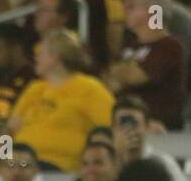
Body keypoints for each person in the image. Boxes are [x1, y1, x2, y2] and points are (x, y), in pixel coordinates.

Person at [8, 30, 114, 173]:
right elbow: (11, 128)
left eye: (41, 53)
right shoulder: (35, 88)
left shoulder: (89, 88)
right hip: (18, 164)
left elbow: (111, 126)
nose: (36, 57)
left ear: (55, 57)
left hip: (57, 166)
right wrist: (2, 157)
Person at [105, 0, 187, 131]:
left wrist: (121, 73)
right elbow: (109, 80)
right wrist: (125, 71)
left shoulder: (169, 46)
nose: (125, 10)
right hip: (124, 121)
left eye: (133, 6)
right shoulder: (130, 46)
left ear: (154, 11)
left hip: (156, 124)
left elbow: (136, 77)